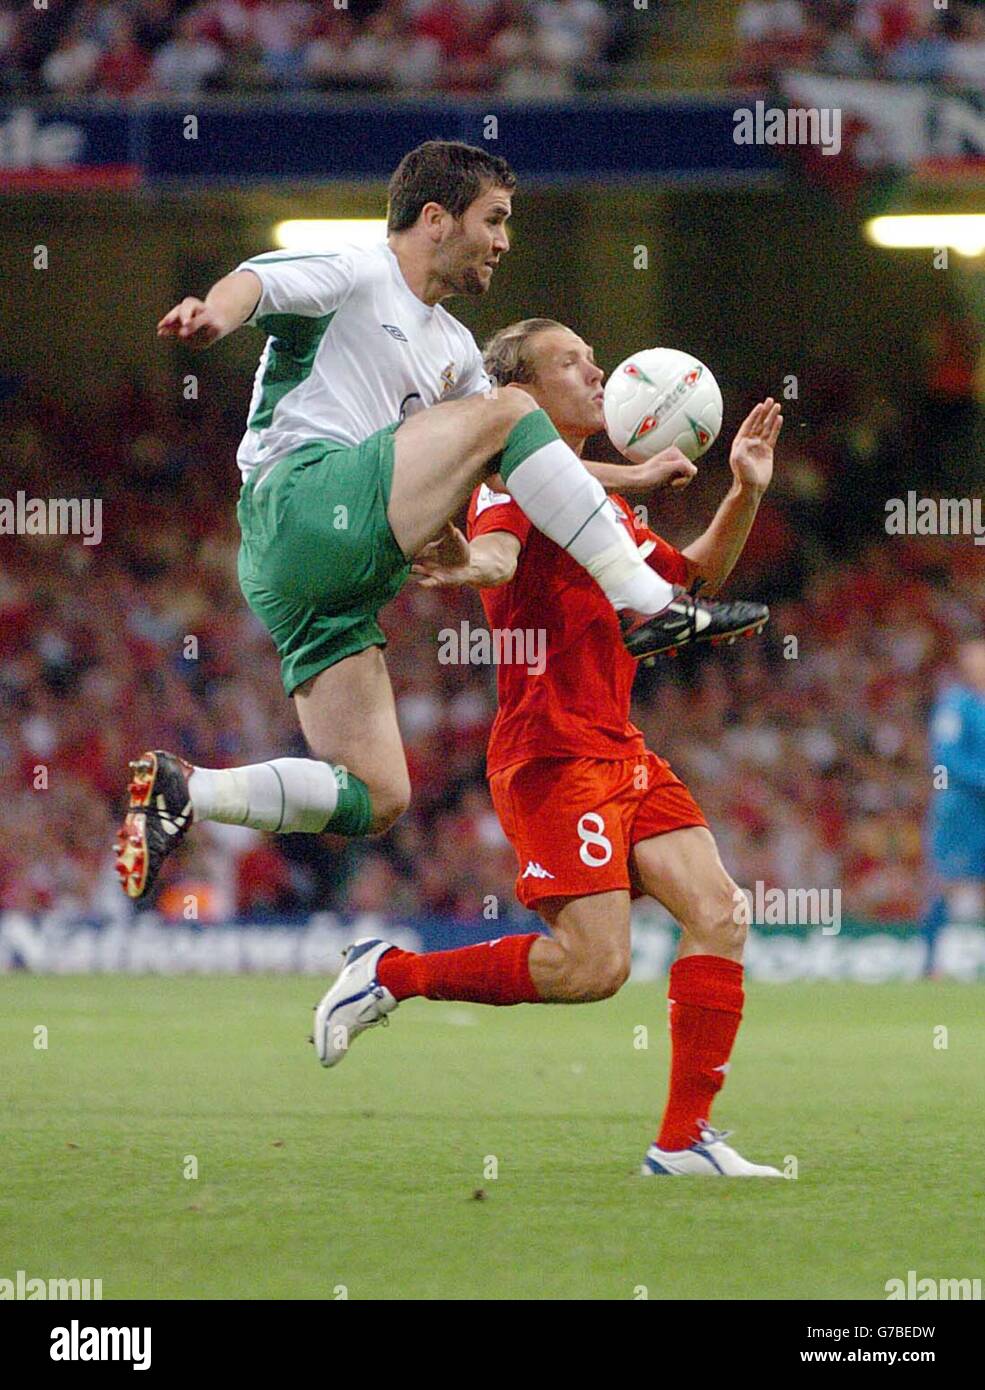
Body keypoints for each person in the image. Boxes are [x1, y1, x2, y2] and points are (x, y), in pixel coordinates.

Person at [115, 141, 766, 901]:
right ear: (434, 217)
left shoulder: (455, 350)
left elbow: (508, 460)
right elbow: (255, 282)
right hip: (305, 501)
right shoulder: (357, 269)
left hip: (315, 580)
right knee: (509, 410)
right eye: (493, 220)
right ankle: (646, 603)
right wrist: (211, 315)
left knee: (376, 794)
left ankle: (187, 790)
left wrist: (637, 475)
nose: (503, 241)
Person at [313, 317, 783, 1177]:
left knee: (718, 915)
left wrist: (743, 490)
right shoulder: (512, 490)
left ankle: (680, 1143)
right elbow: (494, 549)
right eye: (573, 362)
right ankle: (390, 971)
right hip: (552, 754)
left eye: (593, 357)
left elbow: (686, 584)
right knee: (593, 967)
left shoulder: (590, 501)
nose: (597, 372)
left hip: (619, 747)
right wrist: (477, 567)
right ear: (521, 395)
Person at [924, 638, 985, 973]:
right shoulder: (955, 704)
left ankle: (969, 960)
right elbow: (945, 758)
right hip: (961, 809)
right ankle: (932, 962)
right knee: (949, 880)